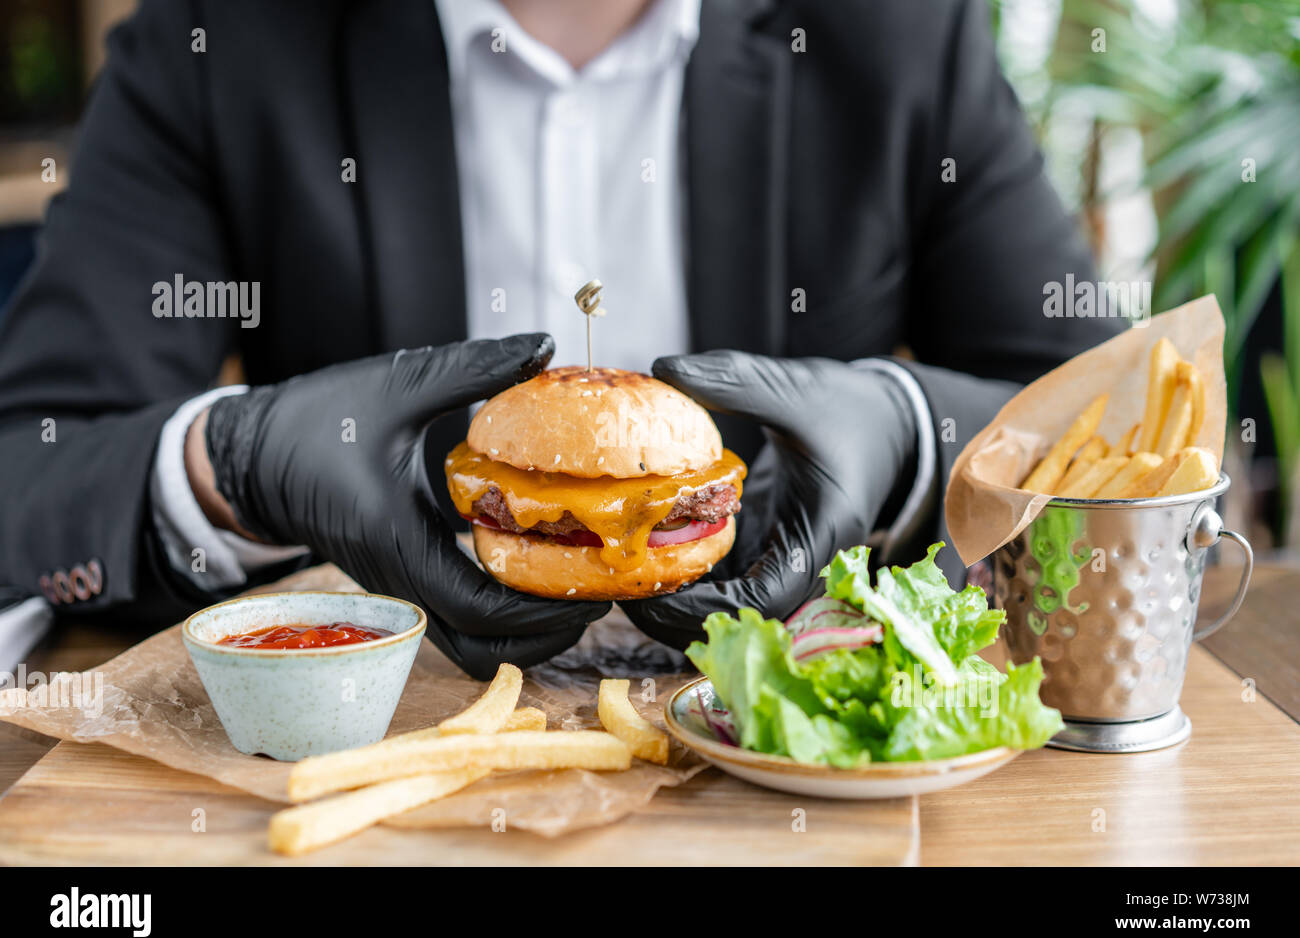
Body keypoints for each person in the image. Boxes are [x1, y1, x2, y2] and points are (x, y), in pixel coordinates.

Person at [0, 0, 1123, 678]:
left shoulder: (895, 31)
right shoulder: (222, 40)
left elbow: (1118, 421)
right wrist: (234, 463)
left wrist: (906, 431)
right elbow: (28, 466)